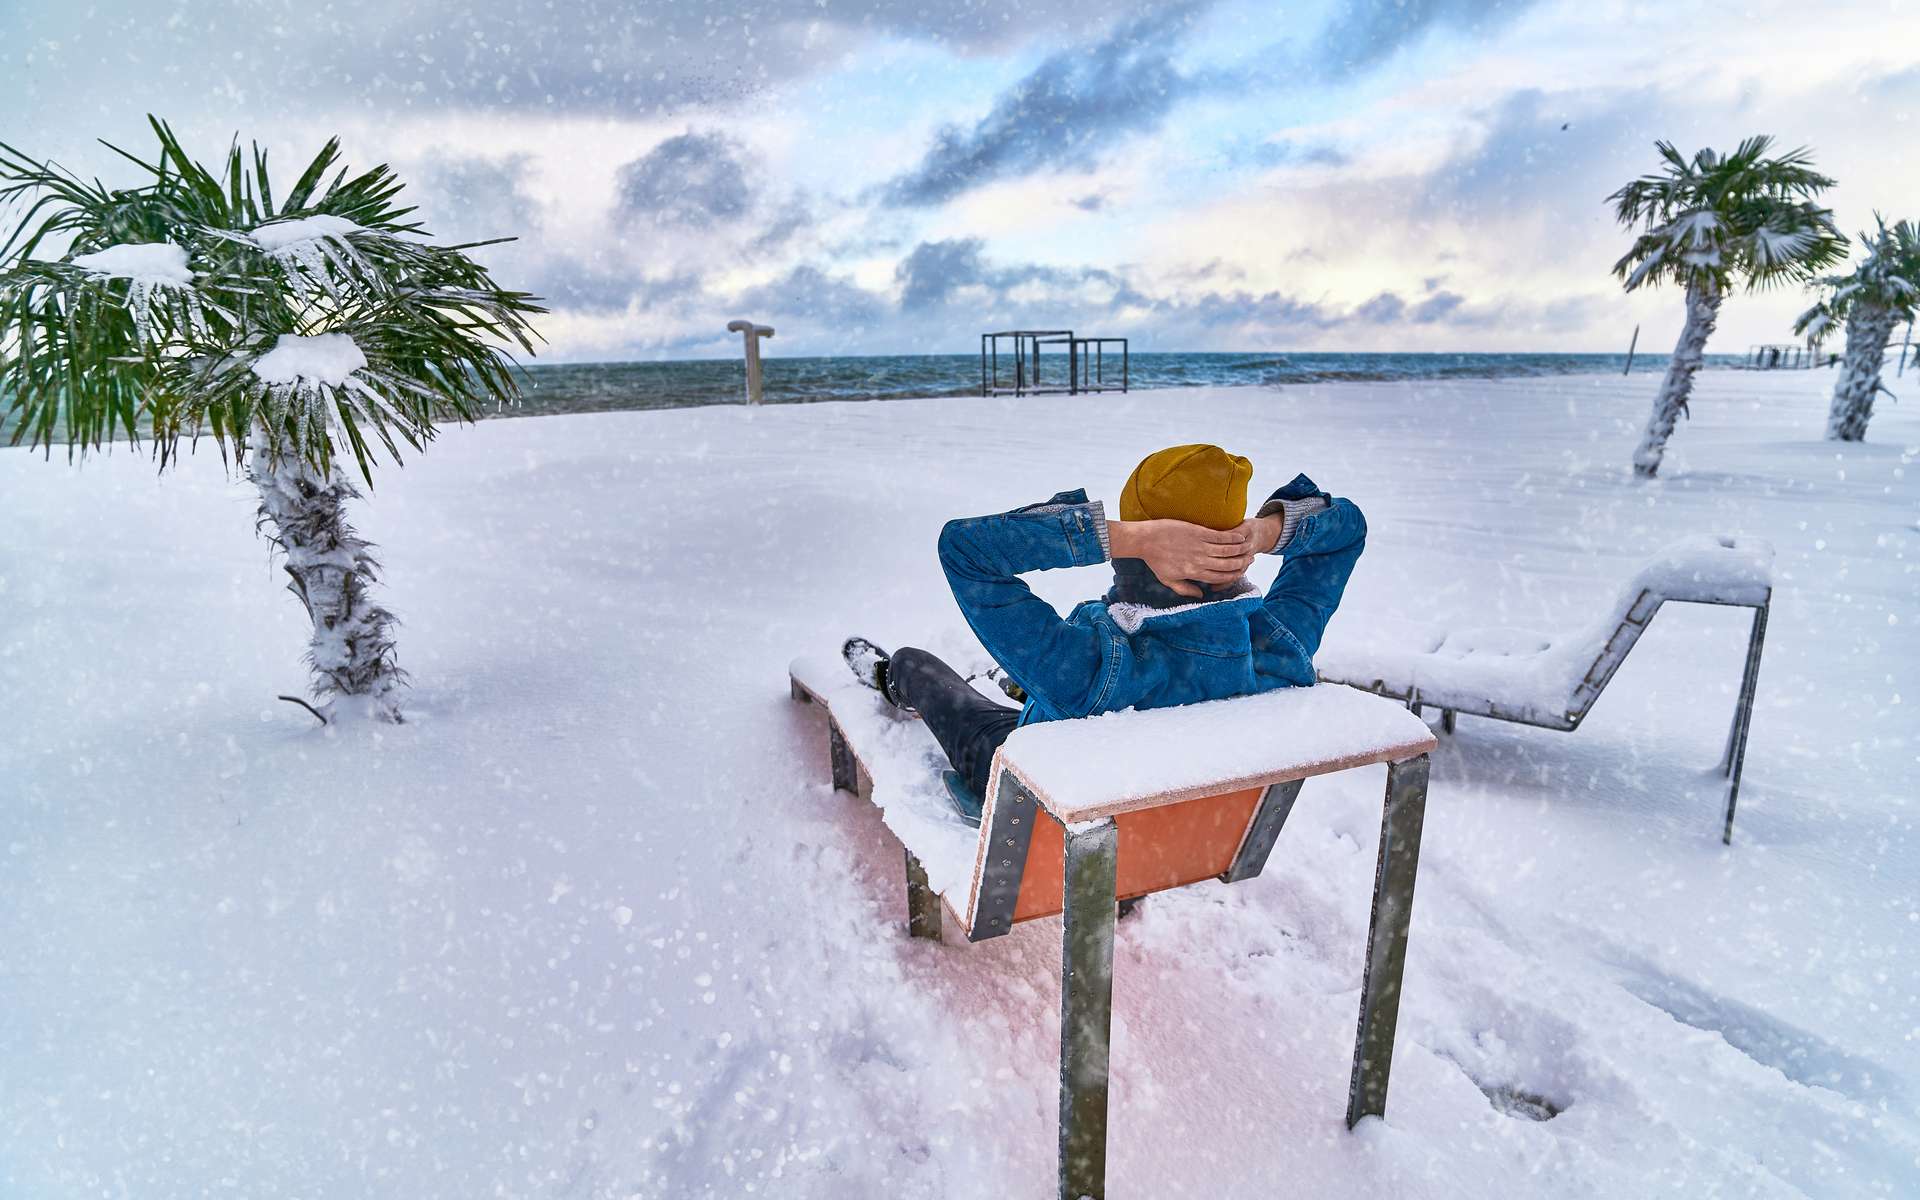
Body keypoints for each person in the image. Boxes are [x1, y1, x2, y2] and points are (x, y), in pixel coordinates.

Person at [844, 443, 1367, 826]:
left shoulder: (1085, 668)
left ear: (1143, 549)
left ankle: (894, 679)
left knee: (919, 666)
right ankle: (1015, 684)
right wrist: (1267, 531)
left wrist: (1125, 536)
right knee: (1034, 673)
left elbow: (966, 551)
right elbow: (1347, 530)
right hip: (1160, 833)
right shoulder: (1280, 646)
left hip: (1039, 798)